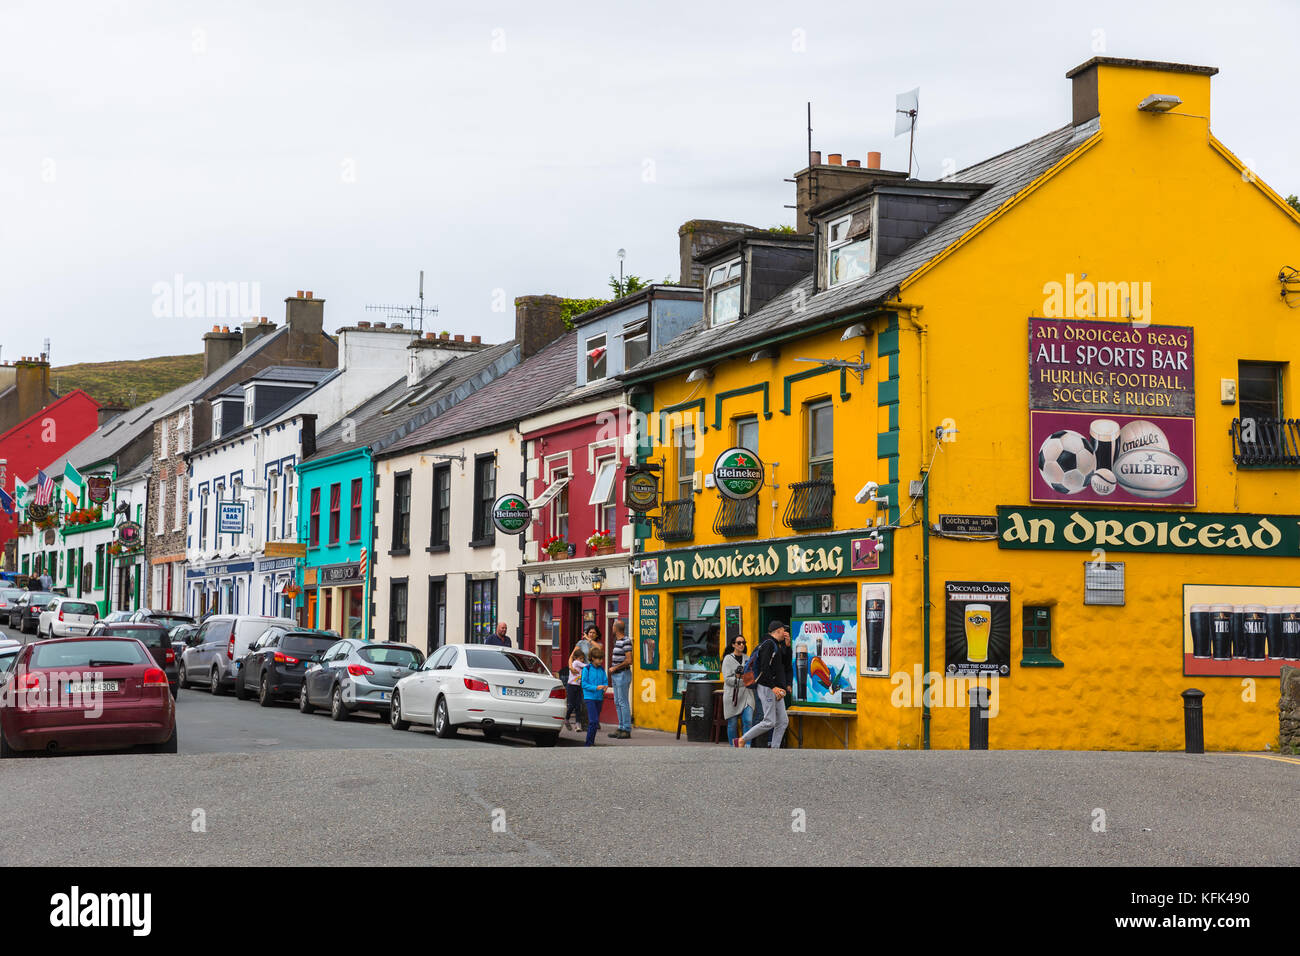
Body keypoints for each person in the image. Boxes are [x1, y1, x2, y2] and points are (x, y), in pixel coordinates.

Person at [732, 620, 790, 749]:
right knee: (769, 721)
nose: (785, 633)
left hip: (775, 687)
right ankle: (741, 739)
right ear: (778, 631)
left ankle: (775, 748)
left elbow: (783, 665)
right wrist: (773, 686)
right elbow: (765, 668)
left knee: (783, 721)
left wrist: (787, 646)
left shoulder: (776, 645)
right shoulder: (769, 644)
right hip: (766, 687)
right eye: (784, 630)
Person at [721, 635, 756, 747]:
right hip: (732, 696)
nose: (742, 645)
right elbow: (727, 680)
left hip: (747, 695)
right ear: (733, 645)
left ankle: (747, 745)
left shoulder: (748, 658)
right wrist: (744, 680)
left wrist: (740, 678)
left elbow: (752, 677)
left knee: (748, 721)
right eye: (739, 642)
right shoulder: (727, 659)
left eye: (743, 643)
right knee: (732, 723)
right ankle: (733, 746)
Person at [607, 619, 633, 739]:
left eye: (613, 626)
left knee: (623, 702)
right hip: (616, 674)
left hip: (622, 674)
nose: (612, 628)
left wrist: (615, 667)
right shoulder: (618, 641)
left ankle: (626, 729)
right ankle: (621, 727)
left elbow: (629, 660)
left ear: (616, 628)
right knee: (617, 702)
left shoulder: (626, 641)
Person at [580, 645, 608, 747]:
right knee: (593, 721)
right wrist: (596, 687)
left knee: (595, 723)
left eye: (601, 659)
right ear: (592, 658)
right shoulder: (586, 669)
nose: (601, 661)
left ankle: (591, 742)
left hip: (599, 698)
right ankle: (588, 744)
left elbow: (605, 681)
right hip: (589, 698)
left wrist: (605, 687)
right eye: (598, 659)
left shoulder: (601, 670)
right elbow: (584, 684)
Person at [565, 647, 587, 732]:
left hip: (577, 686)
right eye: (580, 658)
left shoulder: (579, 665)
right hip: (571, 686)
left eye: (583, 658)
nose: (582, 660)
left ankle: (578, 724)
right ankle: (567, 719)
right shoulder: (576, 663)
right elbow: (586, 666)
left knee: (578, 705)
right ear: (575, 658)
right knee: (571, 705)